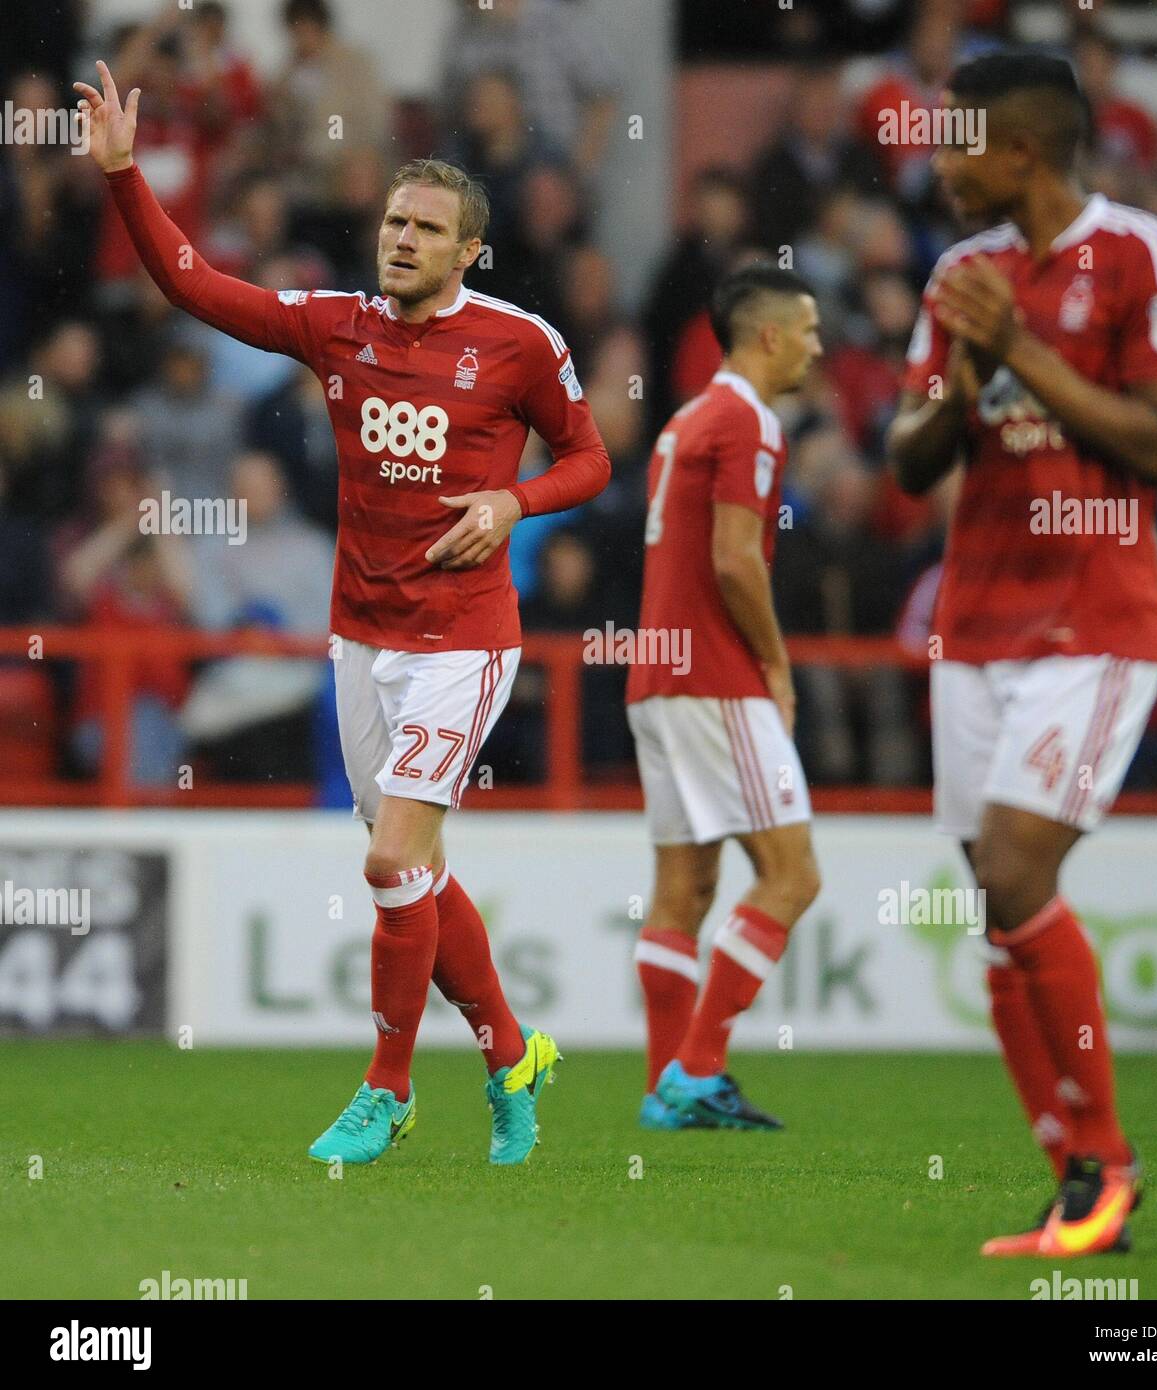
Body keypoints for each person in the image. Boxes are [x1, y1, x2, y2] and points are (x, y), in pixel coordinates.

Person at [74, 60, 610, 1166]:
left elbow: (592, 457)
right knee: (410, 868)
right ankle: (512, 1053)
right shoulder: (333, 327)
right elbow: (194, 286)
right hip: (360, 636)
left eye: (426, 227)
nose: (400, 238)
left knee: (388, 863)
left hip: (463, 639)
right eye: (392, 220)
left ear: (469, 251)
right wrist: (127, 176)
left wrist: (514, 498)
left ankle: (388, 1087)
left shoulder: (518, 343)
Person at [887, 53, 1157, 1256]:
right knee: (995, 904)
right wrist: (960, 387)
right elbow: (911, 463)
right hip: (974, 619)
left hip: (1094, 616)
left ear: (1018, 152)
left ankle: (1109, 1165)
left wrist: (1016, 349)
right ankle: (1076, 1182)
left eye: (954, 143)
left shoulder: (1143, 256)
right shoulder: (957, 275)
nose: (936, 164)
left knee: (1019, 873)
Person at [625, 266, 823, 1130]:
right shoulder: (749, 419)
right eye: (810, 329)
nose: (819, 345)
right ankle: (696, 1073)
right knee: (791, 875)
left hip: (656, 676)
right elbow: (736, 559)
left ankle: (664, 1090)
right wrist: (777, 666)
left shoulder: (683, 421)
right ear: (769, 334)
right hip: (713, 676)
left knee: (684, 889)